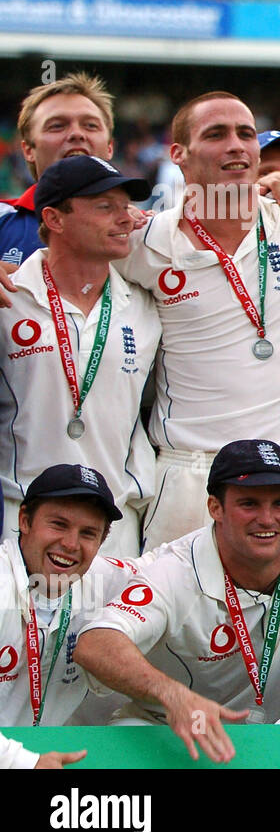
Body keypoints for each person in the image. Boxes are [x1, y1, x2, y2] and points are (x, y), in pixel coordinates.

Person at [118, 91, 280, 549]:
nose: (237, 145)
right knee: (179, 621)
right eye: (216, 134)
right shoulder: (144, 241)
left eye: (245, 133)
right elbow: (59, 256)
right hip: (191, 478)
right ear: (177, 153)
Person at [73, 440, 280, 763]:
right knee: (125, 735)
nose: (267, 519)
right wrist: (175, 698)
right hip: (179, 735)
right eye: (249, 504)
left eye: (279, 504)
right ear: (215, 508)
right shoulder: (175, 571)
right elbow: (95, 644)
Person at [0, 156, 160, 557]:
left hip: (112, 525)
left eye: (126, 206)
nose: (125, 219)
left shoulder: (147, 306)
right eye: (105, 207)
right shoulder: (9, 298)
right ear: (54, 219)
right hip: (20, 520)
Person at [0, 463, 139, 729]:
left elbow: (170, 566)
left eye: (88, 533)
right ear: (24, 520)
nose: (71, 544)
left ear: (103, 538)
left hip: (47, 752)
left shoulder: (105, 577)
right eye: (58, 525)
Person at [1, 72, 117, 265]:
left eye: (90, 125)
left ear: (110, 147)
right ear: (28, 150)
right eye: (57, 126)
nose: (76, 134)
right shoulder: (3, 221)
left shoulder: (143, 232)